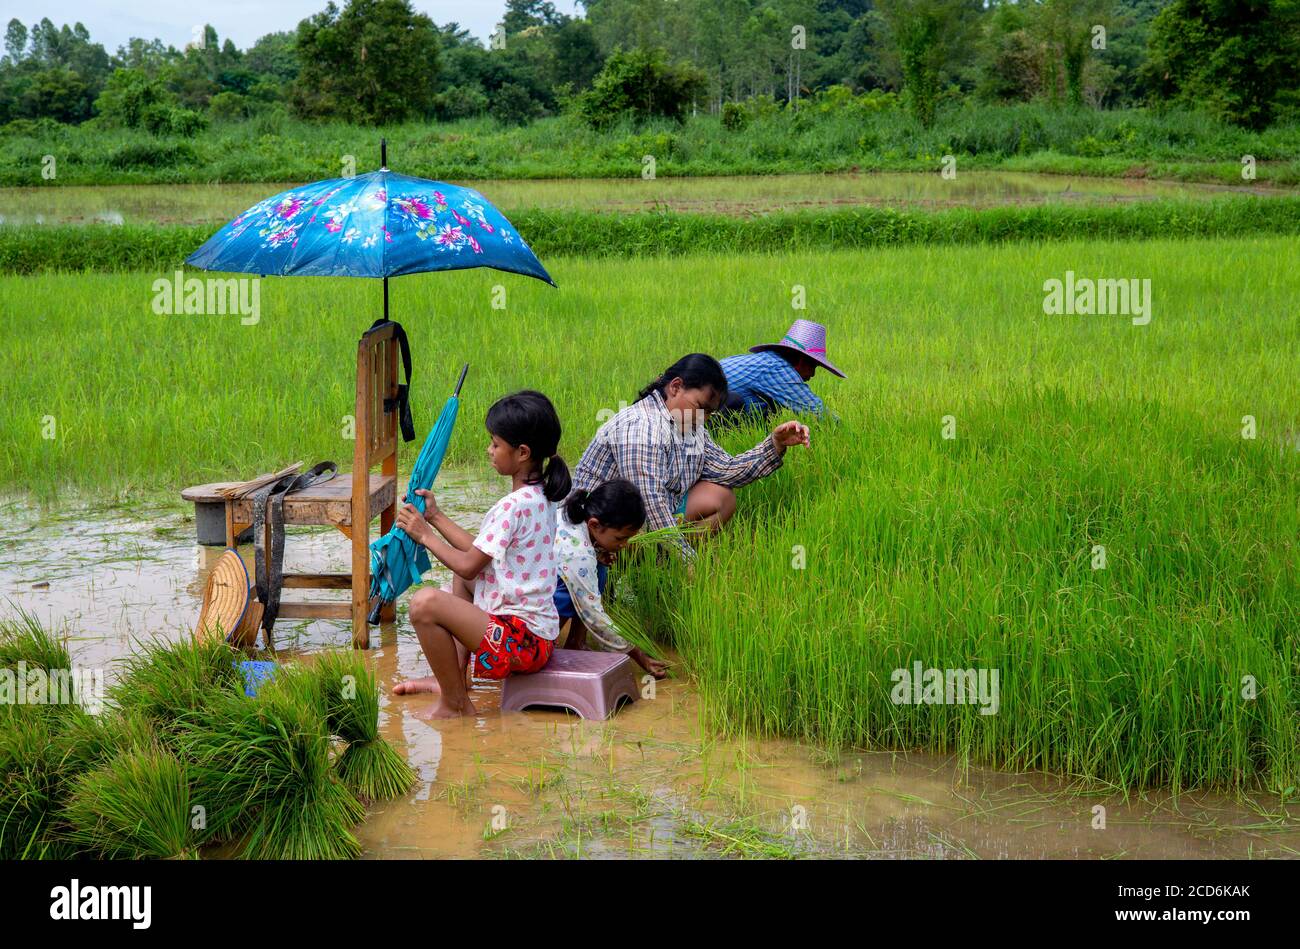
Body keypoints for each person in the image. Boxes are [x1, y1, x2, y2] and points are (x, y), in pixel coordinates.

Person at [391, 390, 568, 718]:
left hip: (521, 644)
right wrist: (435, 517)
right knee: (459, 576)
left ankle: (454, 703)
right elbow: (479, 552)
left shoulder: (512, 506)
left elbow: (470, 565)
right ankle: (458, 681)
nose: (489, 450)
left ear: (522, 452)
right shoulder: (541, 494)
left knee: (424, 604)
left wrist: (423, 534)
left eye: (495, 443)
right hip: (538, 637)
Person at [569, 353, 810, 563]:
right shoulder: (642, 427)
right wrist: (687, 561)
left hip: (642, 520)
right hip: (604, 527)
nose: (704, 418)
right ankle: (631, 565)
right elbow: (650, 503)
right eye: (700, 407)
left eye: (710, 413)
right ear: (675, 387)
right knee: (661, 523)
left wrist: (775, 443)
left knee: (722, 497)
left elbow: (727, 469)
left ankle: (657, 562)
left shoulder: (689, 425)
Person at [554, 479, 669, 679]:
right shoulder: (578, 555)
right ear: (595, 524)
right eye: (620, 538)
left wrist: (598, 553)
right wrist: (638, 655)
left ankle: (576, 642)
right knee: (579, 584)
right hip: (527, 606)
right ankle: (546, 641)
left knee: (598, 568)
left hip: (543, 576)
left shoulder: (576, 515)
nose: (624, 545)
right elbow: (595, 617)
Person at [717, 318, 845, 422]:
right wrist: (849, 431)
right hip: (701, 419)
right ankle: (702, 447)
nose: (813, 374)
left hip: (701, 408)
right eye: (813, 366)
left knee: (771, 407)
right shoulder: (780, 370)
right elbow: (819, 413)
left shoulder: (766, 360)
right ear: (801, 360)